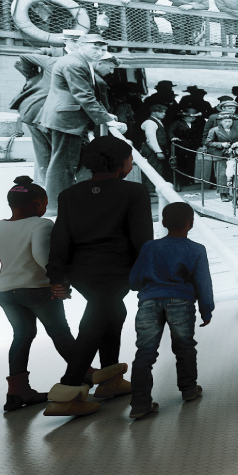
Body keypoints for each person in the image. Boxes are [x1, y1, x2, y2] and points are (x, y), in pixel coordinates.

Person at [42, 137, 152, 417]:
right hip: (118, 271)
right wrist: (149, 273)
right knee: (95, 322)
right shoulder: (134, 192)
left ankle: (109, 380)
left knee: (111, 313)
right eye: (129, 158)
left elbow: (60, 238)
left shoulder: (69, 195)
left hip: (80, 272)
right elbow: (142, 239)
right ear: (122, 163)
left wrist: (57, 276)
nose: (130, 163)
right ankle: (66, 392)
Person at [0, 177, 73, 412]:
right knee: (59, 331)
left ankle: (17, 391)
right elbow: (42, 256)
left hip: (5, 293)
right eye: (45, 202)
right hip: (37, 289)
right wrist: (59, 281)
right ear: (38, 204)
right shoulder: (41, 224)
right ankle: (82, 374)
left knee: (22, 335)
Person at [125, 202, 213, 419]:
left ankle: (140, 403)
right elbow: (203, 283)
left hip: (148, 302)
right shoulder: (196, 249)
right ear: (190, 224)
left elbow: (134, 281)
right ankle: (189, 389)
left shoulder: (149, 247)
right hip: (181, 303)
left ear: (163, 223)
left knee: (144, 353)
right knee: (184, 347)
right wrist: (206, 309)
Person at [39, 32, 125, 213]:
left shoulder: (79, 61)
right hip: (67, 120)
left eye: (102, 49)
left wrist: (105, 115)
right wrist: (107, 120)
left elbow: (88, 95)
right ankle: (55, 206)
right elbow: (83, 95)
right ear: (80, 45)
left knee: (67, 161)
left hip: (67, 118)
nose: (99, 52)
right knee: (64, 163)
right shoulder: (74, 63)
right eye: (95, 47)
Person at [10, 52, 58, 183]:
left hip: (38, 109)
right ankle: (46, 182)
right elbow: (20, 61)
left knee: (44, 147)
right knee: (46, 147)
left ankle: (43, 181)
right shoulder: (53, 54)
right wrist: (35, 78)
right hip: (39, 108)